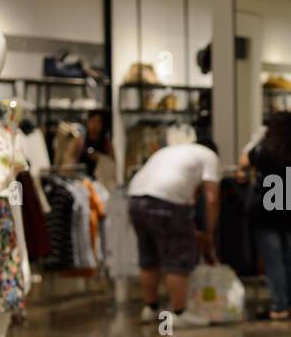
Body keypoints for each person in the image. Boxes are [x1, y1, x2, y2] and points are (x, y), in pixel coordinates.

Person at [127, 135, 221, 325]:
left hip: (135, 198)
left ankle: (150, 308)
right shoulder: (209, 156)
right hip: (167, 201)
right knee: (177, 258)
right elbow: (211, 198)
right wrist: (209, 232)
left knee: (149, 257)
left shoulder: (170, 151)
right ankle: (179, 313)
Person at [247, 112, 291, 320]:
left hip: (266, 212)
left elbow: (246, 158)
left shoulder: (264, 152)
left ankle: (278, 305)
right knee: (290, 258)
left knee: (274, 260)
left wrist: (258, 138)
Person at [82, 109, 117, 191]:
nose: (95, 125)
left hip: (100, 183)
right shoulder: (82, 140)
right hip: (83, 181)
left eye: (98, 122)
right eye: (92, 121)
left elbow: (112, 162)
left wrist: (99, 157)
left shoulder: (106, 142)